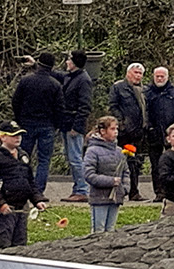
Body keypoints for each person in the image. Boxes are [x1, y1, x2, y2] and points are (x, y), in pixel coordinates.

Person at [0, 121, 49, 250]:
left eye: (19, 135)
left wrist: (37, 199)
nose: (17, 137)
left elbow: (30, 181)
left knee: (21, 243)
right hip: (5, 208)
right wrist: (0, 204)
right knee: (3, 244)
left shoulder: (23, 155)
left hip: (22, 208)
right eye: (13, 135)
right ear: (2, 137)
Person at [12, 51, 66, 197]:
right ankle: (38, 191)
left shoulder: (26, 81)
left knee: (23, 157)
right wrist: (56, 125)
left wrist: (19, 120)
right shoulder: (55, 85)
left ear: (39, 63)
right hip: (46, 125)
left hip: (26, 123)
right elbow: (59, 108)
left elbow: (16, 101)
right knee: (44, 160)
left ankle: (21, 188)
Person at [143, 67, 174, 200]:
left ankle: (173, 192)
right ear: (153, 77)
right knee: (156, 165)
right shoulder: (147, 93)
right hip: (154, 134)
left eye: (162, 76)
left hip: (173, 134)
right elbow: (144, 112)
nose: (160, 79)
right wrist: (150, 127)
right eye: (157, 76)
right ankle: (159, 192)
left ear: (167, 77)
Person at [108, 62, 149, 200]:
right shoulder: (118, 87)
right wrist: (122, 123)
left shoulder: (145, 90)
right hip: (124, 132)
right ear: (128, 73)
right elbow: (113, 106)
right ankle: (117, 191)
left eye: (140, 73)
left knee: (136, 164)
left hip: (139, 133)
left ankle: (134, 191)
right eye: (135, 72)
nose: (138, 76)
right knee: (119, 163)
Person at [59, 51, 94, 203]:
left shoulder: (83, 80)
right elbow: (57, 75)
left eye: (68, 59)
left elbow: (85, 105)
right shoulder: (72, 77)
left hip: (74, 124)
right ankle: (78, 188)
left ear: (74, 62)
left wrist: (77, 126)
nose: (66, 62)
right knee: (71, 157)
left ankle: (81, 189)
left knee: (75, 158)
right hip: (67, 123)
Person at [83, 115, 127, 234]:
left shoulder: (119, 151)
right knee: (99, 231)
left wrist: (124, 188)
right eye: (112, 129)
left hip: (115, 198)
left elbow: (125, 171)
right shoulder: (93, 151)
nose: (116, 132)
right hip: (99, 198)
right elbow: (89, 174)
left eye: (116, 129)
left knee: (111, 230)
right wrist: (111, 181)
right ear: (103, 131)